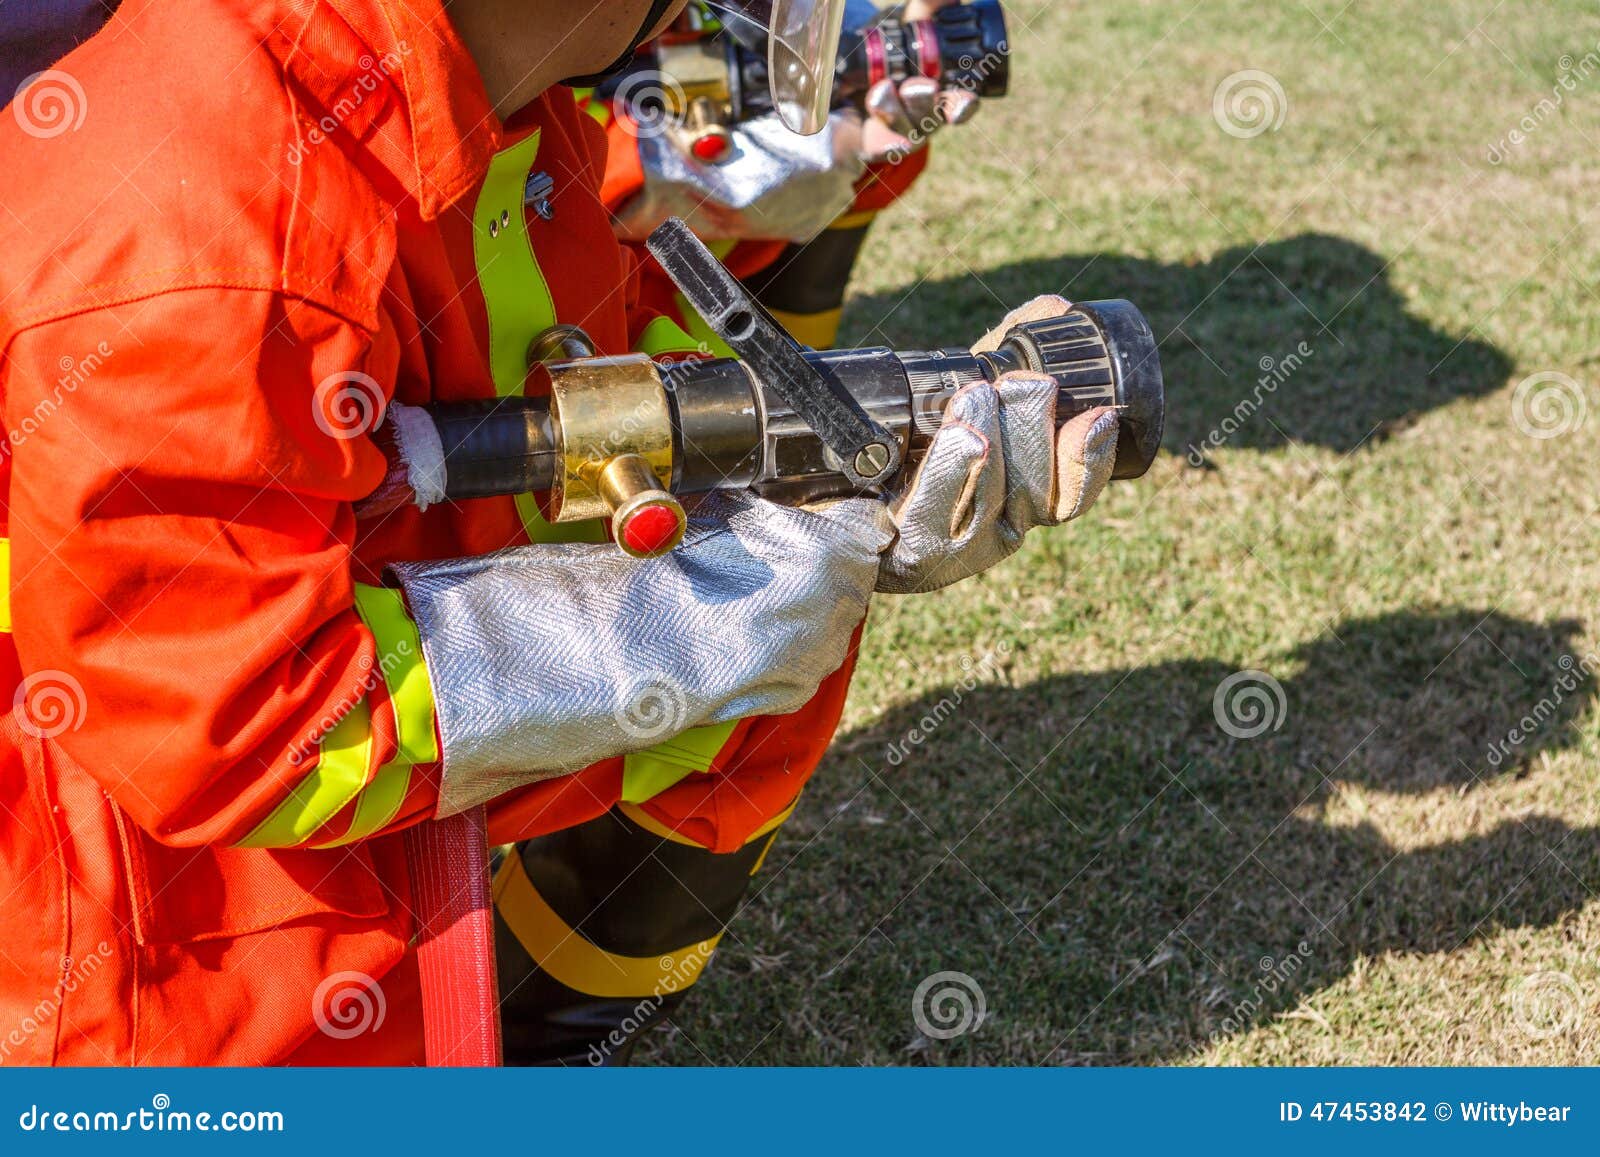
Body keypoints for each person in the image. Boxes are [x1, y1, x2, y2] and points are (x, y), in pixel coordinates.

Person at [0, 0, 1118, 1065]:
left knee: (758, 689)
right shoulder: (213, 237)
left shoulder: (491, 102)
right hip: (124, 950)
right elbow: (238, 728)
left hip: (222, 790)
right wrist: (688, 621)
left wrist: (851, 470)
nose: (699, 32)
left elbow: (613, 373)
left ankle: (539, 1047)